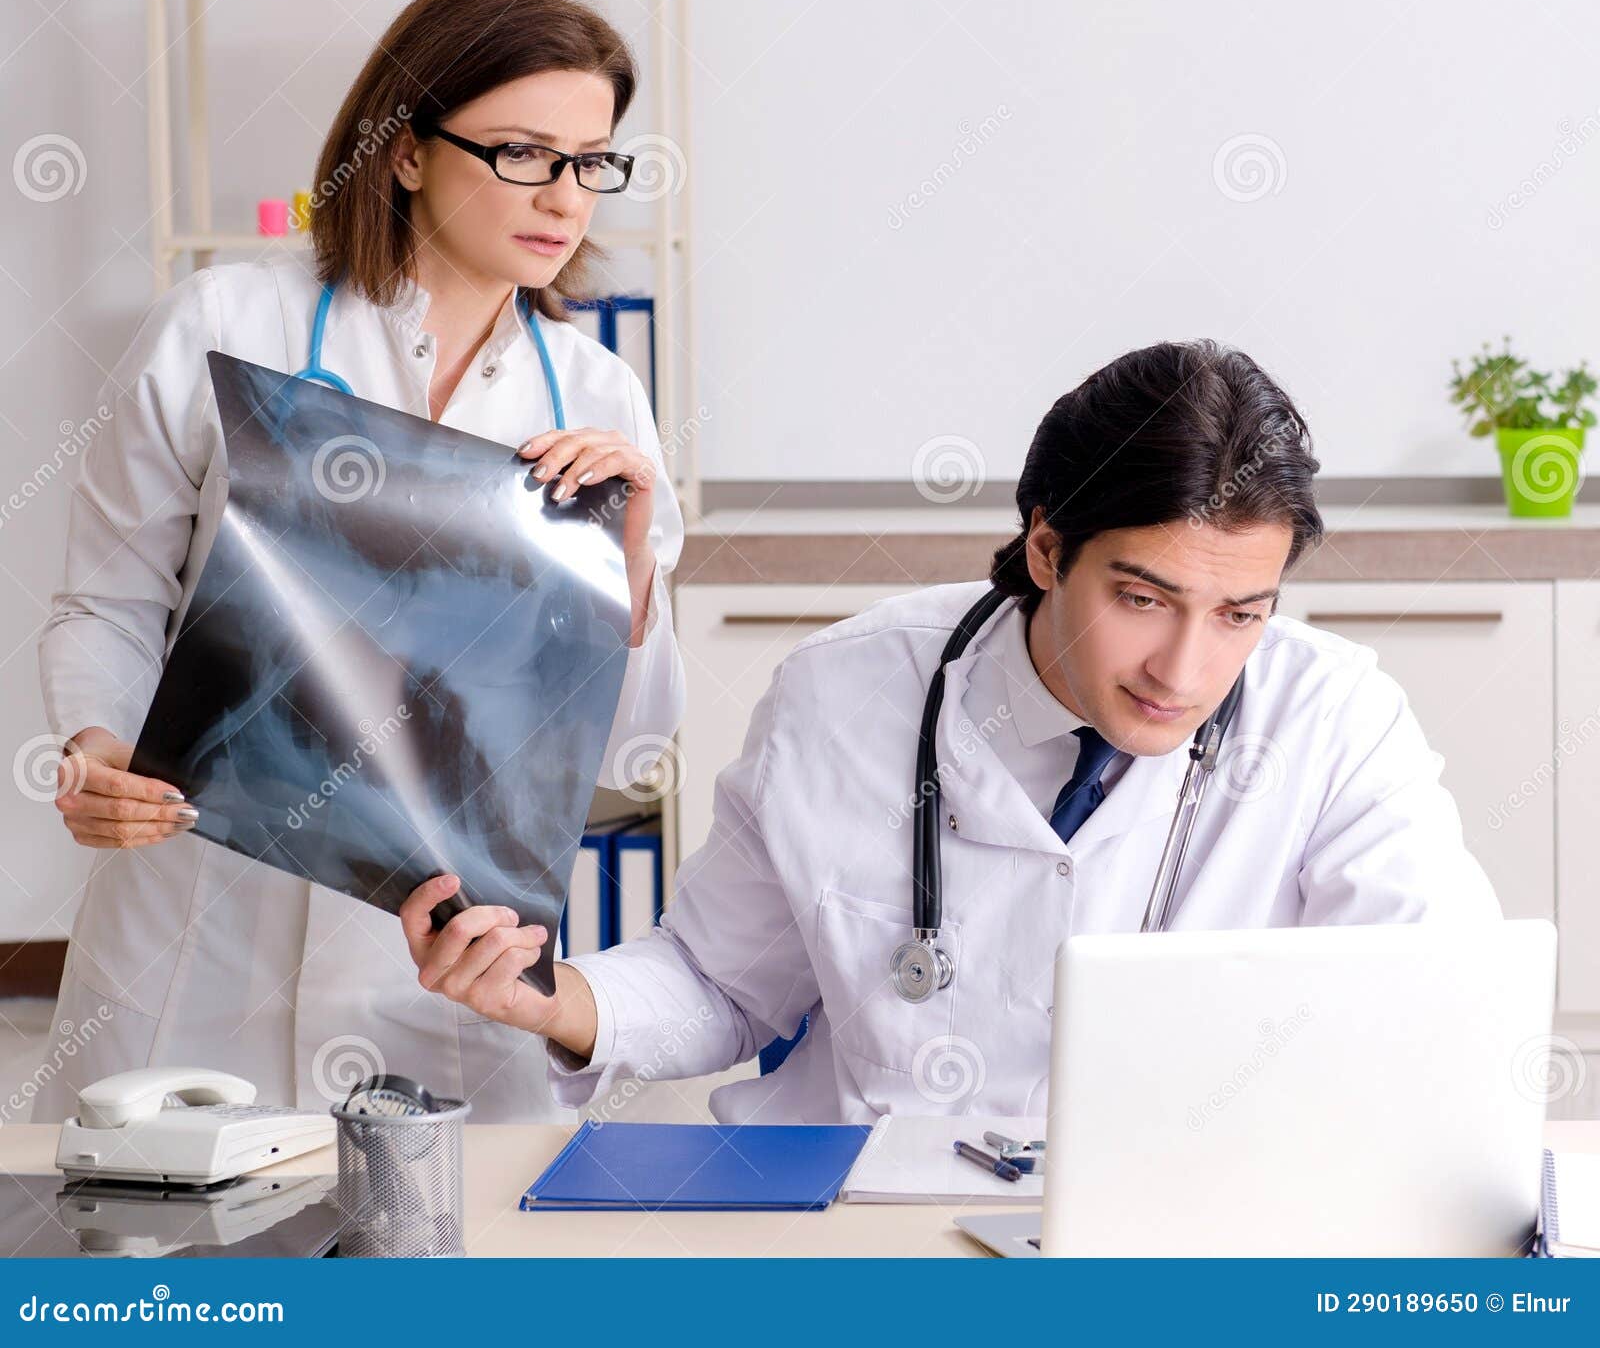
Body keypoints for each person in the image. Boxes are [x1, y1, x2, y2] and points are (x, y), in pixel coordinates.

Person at [398, 338, 1500, 1123]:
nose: (1186, 668)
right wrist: (551, 996)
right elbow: (721, 983)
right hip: (871, 1227)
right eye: (1142, 599)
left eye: (1241, 615)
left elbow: (1432, 994)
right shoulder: (846, 690)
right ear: (1046, 548)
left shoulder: (1337, 718)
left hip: (1175, 1235)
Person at [35, 0, 684, 1122]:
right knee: (174, 1273)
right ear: (405, 149)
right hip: (201, 923)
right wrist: (98, 750)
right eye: (524, 153)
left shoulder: (598, 399)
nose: (566, 198)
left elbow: (623, 748)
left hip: (440, 966)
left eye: (592, 161)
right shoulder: (230, 325)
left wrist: (625, 560)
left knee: (423, 1277)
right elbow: (109, 601)